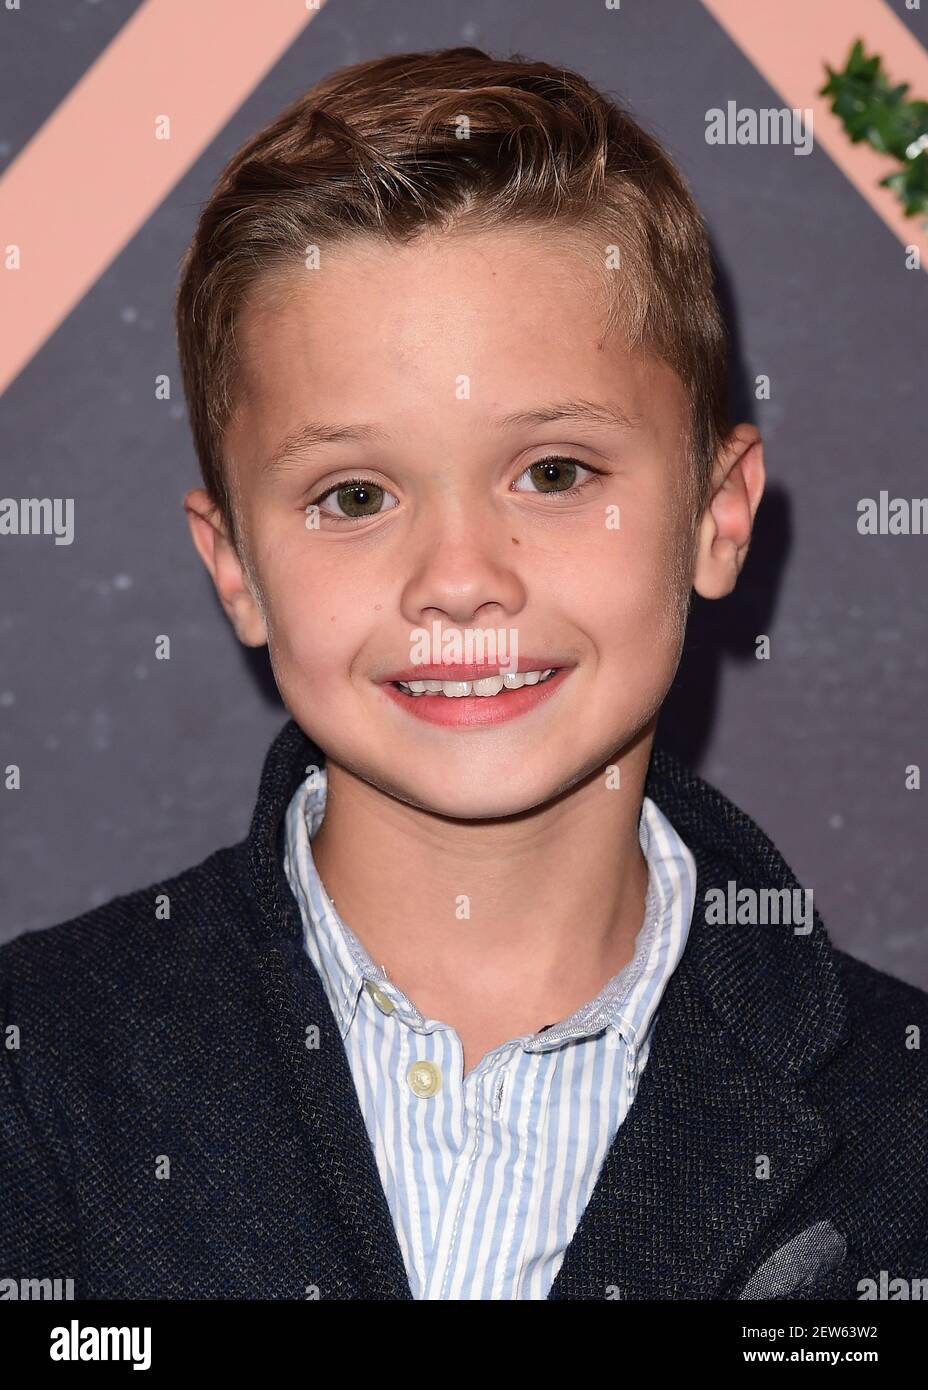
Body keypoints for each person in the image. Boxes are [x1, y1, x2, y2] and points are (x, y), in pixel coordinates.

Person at [2, 48, 926, 1302]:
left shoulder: (902, 1121)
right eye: (355, 495)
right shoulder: (38, 1073)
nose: (459, 575)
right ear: (235, 570)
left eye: (552, 473)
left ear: (717, 513)